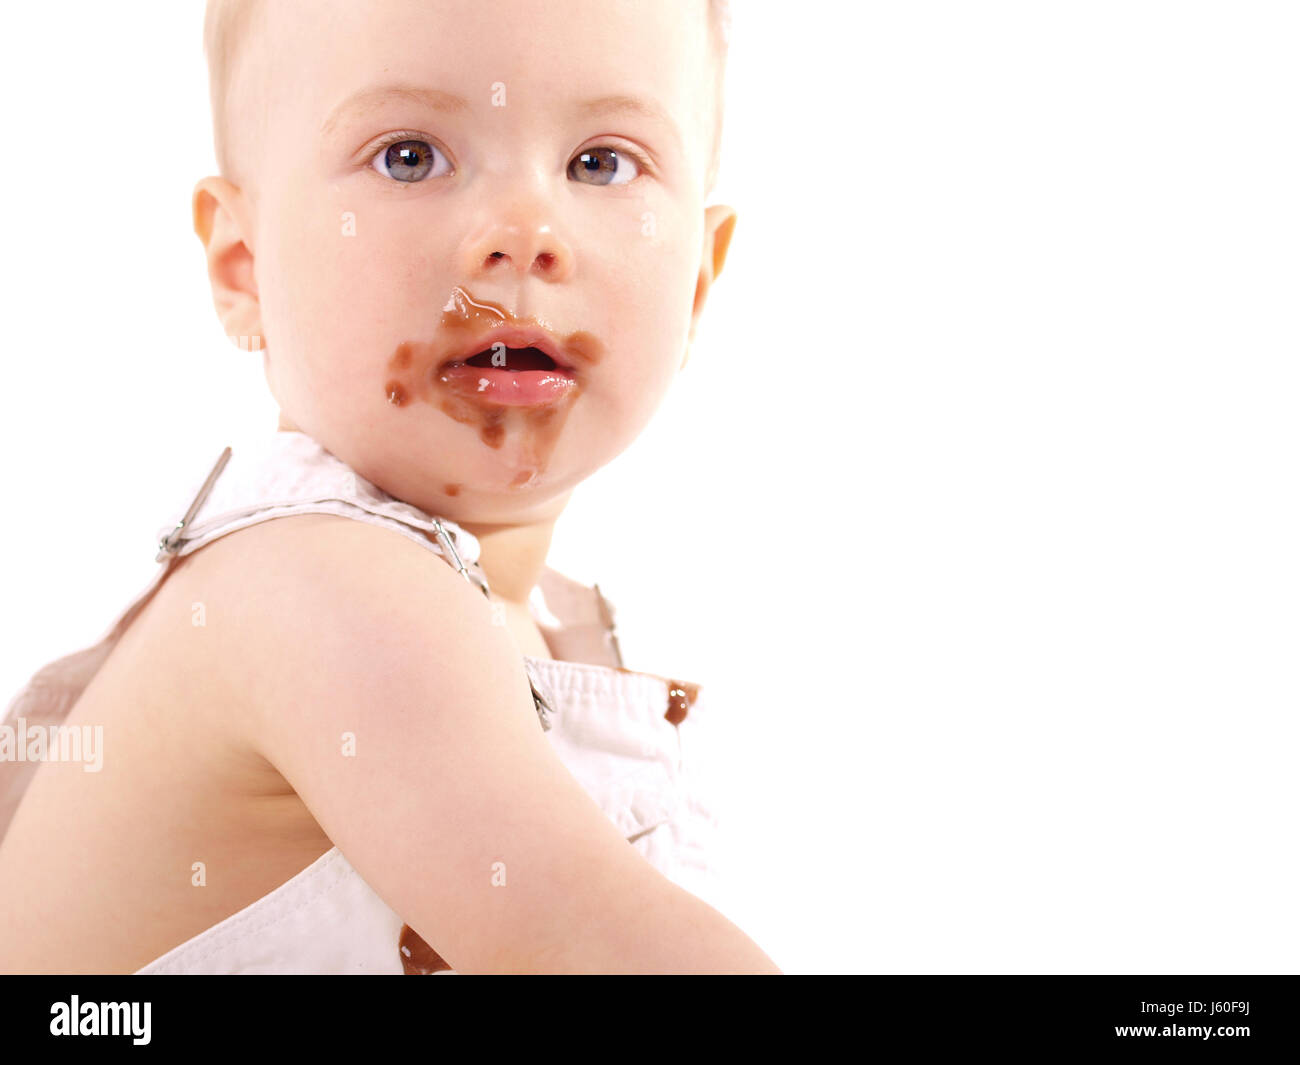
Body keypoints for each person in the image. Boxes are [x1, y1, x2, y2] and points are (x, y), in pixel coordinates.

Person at [0, 0, 777, 974]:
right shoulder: (315, 586)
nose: (525, 233)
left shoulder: (559, 625)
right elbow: (594, 948)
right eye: (411, 156)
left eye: (600, 163)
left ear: (699, 283)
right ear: (246, 266)